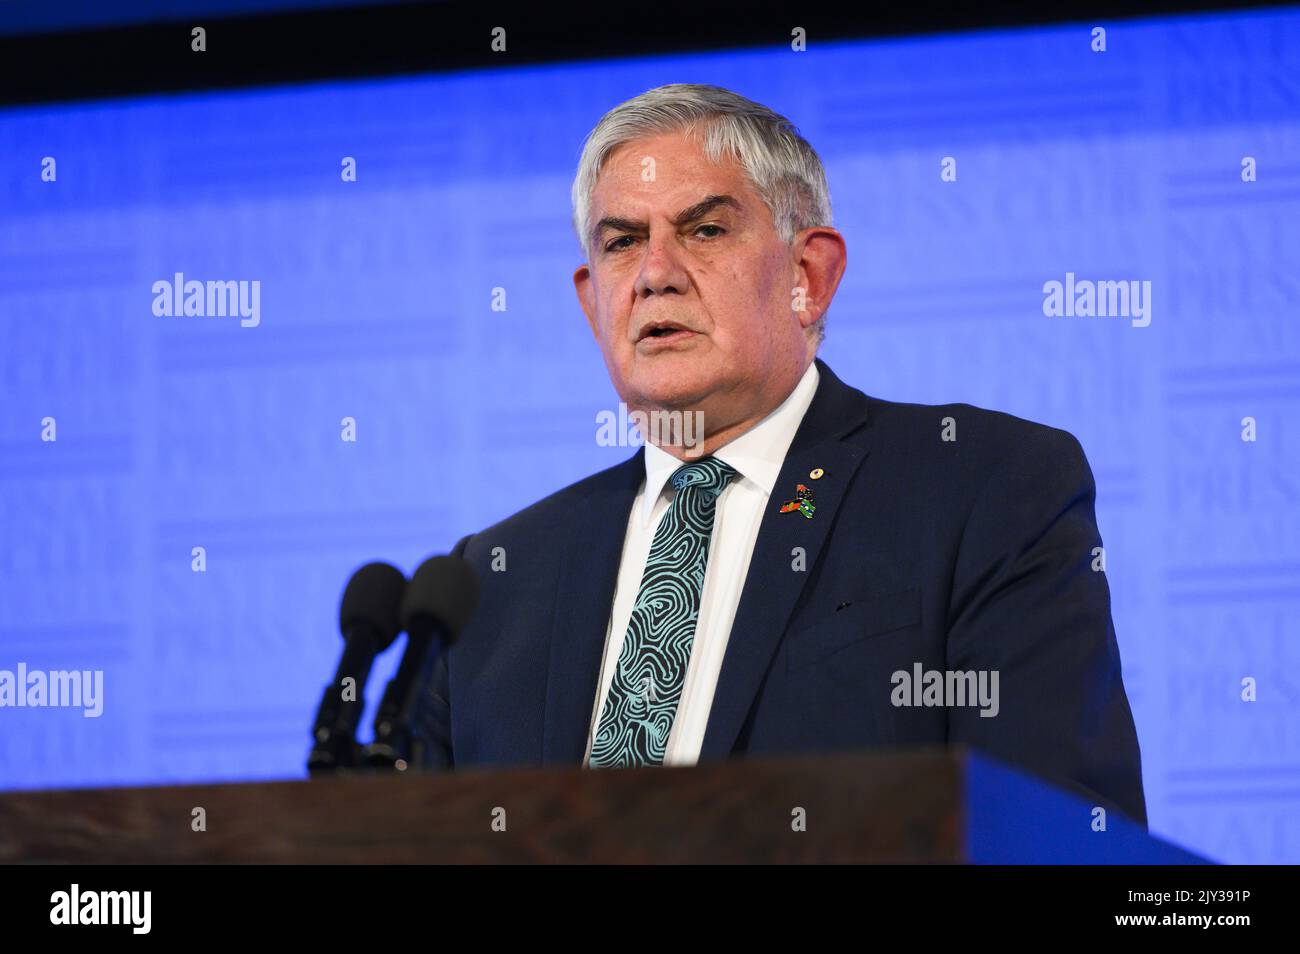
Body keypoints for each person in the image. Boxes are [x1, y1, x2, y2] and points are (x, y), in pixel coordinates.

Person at [421, 83, 1147, 828]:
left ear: (808, 277)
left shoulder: (979, 488)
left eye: (705, 230)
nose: (654, 273)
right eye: (622, 242)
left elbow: (1056, 830)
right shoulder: (488, 583)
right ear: (592, 303)